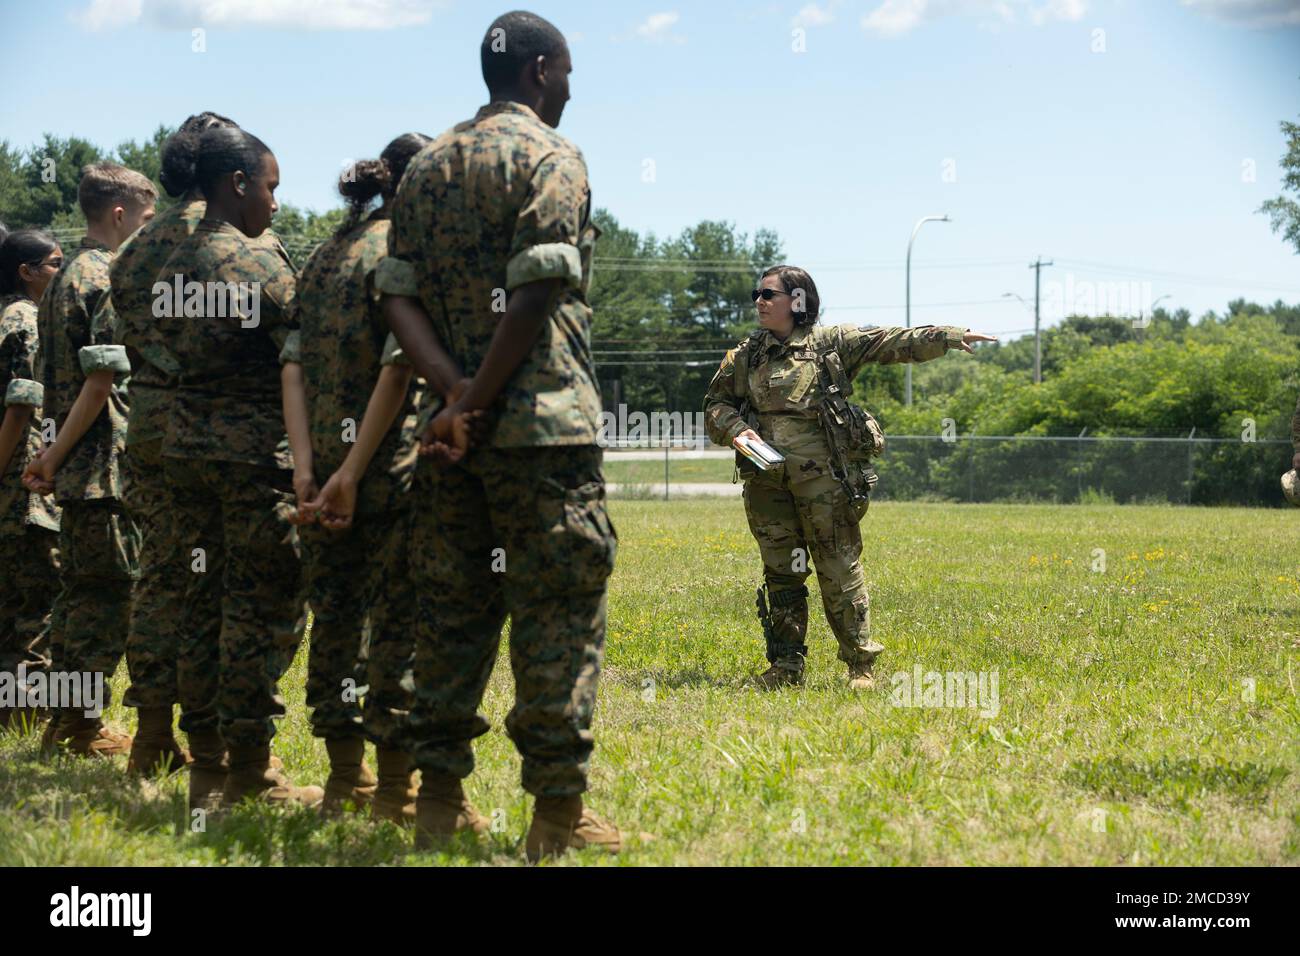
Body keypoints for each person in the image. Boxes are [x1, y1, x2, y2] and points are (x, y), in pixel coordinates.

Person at [378, 9, 622, 861]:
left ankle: (438, 801)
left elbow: (396, 293)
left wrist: (451, 397)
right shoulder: (553, 156)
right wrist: (478, 395)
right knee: (557, 616)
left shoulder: (426, 166)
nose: (570, 89)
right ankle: (557, 816)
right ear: (541, 71)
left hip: (449, 440)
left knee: (449, 617)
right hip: (542, 431)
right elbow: (539, 287)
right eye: (567, 73)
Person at [704, 265, 996, 690]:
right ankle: (785, 667)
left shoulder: (830, 343)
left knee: (838, 567)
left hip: (825, 484)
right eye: (757, 295)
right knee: (782, 572)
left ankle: (860, 665)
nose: (759, 302)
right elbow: (715, 404)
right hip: (767, 484)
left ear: (797, 300)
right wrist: (737, 430)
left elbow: (890, 341)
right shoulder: (746, 355)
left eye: (768, 294)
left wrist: (949, 336)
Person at [152, 125, 320, 809]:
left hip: (186, 452)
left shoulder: (172, 266)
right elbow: (304, 352)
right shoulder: (258, 265)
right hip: (253, 459)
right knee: (258, 609)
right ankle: (250, 770)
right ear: (238, 183)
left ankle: (206, 767)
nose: (275, 204)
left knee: (201, 604)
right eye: (271, 188)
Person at [278, 132, 430, 822]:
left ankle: (346, 781)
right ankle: (396, 791)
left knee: (335, 620)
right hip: (385, 473)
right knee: (397, 626)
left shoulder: (325, 254)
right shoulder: (404, 252)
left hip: (318, 474)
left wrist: (308, 471)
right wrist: (353, 473)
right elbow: (399, 369)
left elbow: (292, 365)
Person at [24, 163, 156, 754]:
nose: (150, 230)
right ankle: (80, 728)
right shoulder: (107, 275)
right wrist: (54, 455)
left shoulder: (62, 279)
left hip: (80, 470)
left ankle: (66, 723)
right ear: (120, 214)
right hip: (105, 467)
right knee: (108, 603)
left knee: (80, 601)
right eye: (146, 218)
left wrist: (53, 454)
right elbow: (101, 381)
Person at [0, 228, 62, 732]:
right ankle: (25, 716)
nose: (62, 273)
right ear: (26, 272)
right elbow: (22, 407)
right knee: (34, 607)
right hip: (18, 488)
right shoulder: (24, 319)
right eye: (55, 264)